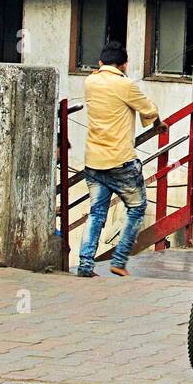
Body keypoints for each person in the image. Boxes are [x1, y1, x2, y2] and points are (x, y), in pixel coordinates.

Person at [78, 40, 159, 278]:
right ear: (124, 65)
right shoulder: (125, 85)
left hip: (93, 161)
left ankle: (85, 265)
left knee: (96, 213)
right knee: (137, 207)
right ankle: (119, 260)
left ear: (101, 62)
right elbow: (149, 110)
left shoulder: (90, 82)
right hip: (120, 161)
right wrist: (159, 124)